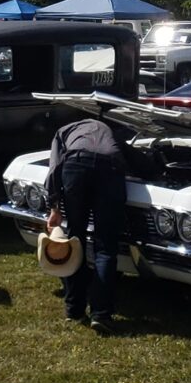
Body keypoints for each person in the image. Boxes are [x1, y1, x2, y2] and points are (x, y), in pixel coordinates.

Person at [45, 115, 128, 334]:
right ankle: (101, 314)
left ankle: (74, 308)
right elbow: (134, 158)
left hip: (75, 166)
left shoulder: (63, 131)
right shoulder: (109, 131)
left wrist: (54, 208)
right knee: (105, 246)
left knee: (75, 241)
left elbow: (54, 166)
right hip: (110, 168)